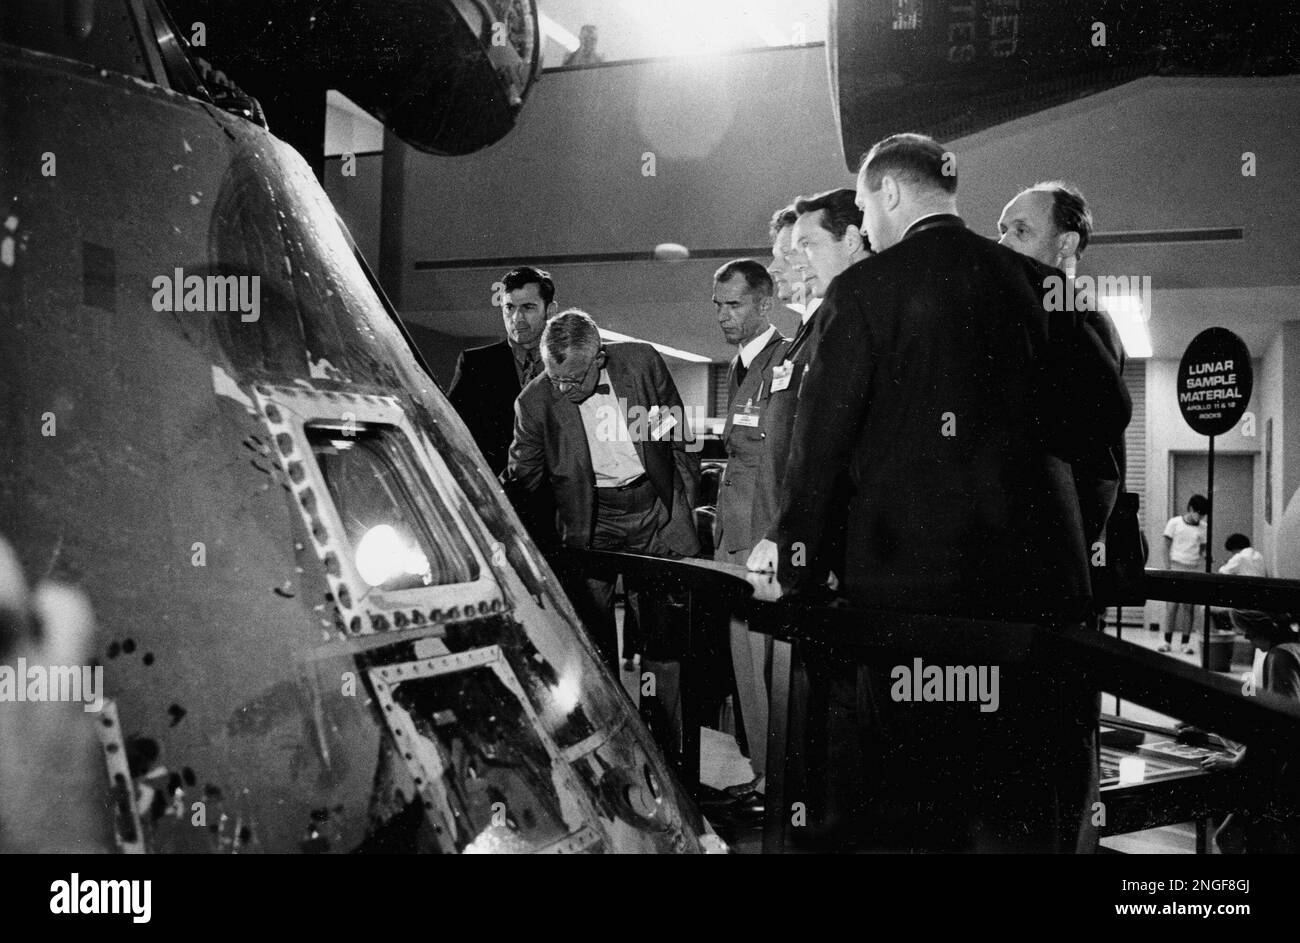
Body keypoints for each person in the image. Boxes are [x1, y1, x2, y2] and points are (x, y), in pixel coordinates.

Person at [770, 132, 1130, 851]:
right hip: (1037, 608)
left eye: (866, 208)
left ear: (891, 194)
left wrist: (799, 567)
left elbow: (821, 453)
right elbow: (1106, 415)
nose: (867, 228)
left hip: (912, 606)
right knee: (1021, 809)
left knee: (917, 812)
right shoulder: (1037, 284)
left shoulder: (863, 291)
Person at [502, 310, 700, 668]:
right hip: (592, 518)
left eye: (574, 380)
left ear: (599, 359)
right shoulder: (533, 402)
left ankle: (659, 722)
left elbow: (678, 433)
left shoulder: (641, 362)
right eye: (555, 378)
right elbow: (521, 479)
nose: (564, 389)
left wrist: (680, 501)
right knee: (592, 639)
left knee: (662, 640)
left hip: (654, 508)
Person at [747, 188, 871, 576]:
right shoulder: (821, 325)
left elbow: (834, 446)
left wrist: (792, 533)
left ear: (851, 240)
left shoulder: (855, 321)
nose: (794, 263)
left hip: (834, 542)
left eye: (803, 247)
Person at [710, 259, 788, 800]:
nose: (722, 315)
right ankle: (764, 771)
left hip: (762, 545)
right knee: (745, 665)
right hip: (733, 541)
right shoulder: (740, 366)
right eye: (717, 304)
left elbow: (788, 465)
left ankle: (777, 780)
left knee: (768, 670)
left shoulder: (787, 364)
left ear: (765, 304)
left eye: (734, 304)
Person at [1203, 610, 1300, 853]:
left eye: (1248, 629)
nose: (1245, 636)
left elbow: (1279, 725)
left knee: (1229, 838)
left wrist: (1236, 761)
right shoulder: (1294, 647)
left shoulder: (1280, 656)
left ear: (1264, 627)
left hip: (1285, 772)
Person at [448, 266, 558, 477]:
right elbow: (453, 432)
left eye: (528, 307)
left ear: (550, 310)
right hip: (500, 493)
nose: (517, 318)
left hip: (562, 500)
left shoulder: (567, 361)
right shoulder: (475, 364)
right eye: (509, 307)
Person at [1162, 494, 1210, 654]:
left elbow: (1203, 549)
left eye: (1202, 515)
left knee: (1188, 607)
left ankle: (1185, 643)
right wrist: (1168, 567)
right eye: (1198, 513)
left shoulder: (1203, 527)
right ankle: (1166, 641)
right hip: (1175, 567)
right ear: (1190, 509)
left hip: (1192, 569)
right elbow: (1166, 546)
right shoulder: (1174, 523)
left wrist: (1206, 557)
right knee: (1171, 607)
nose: (1200, 517)